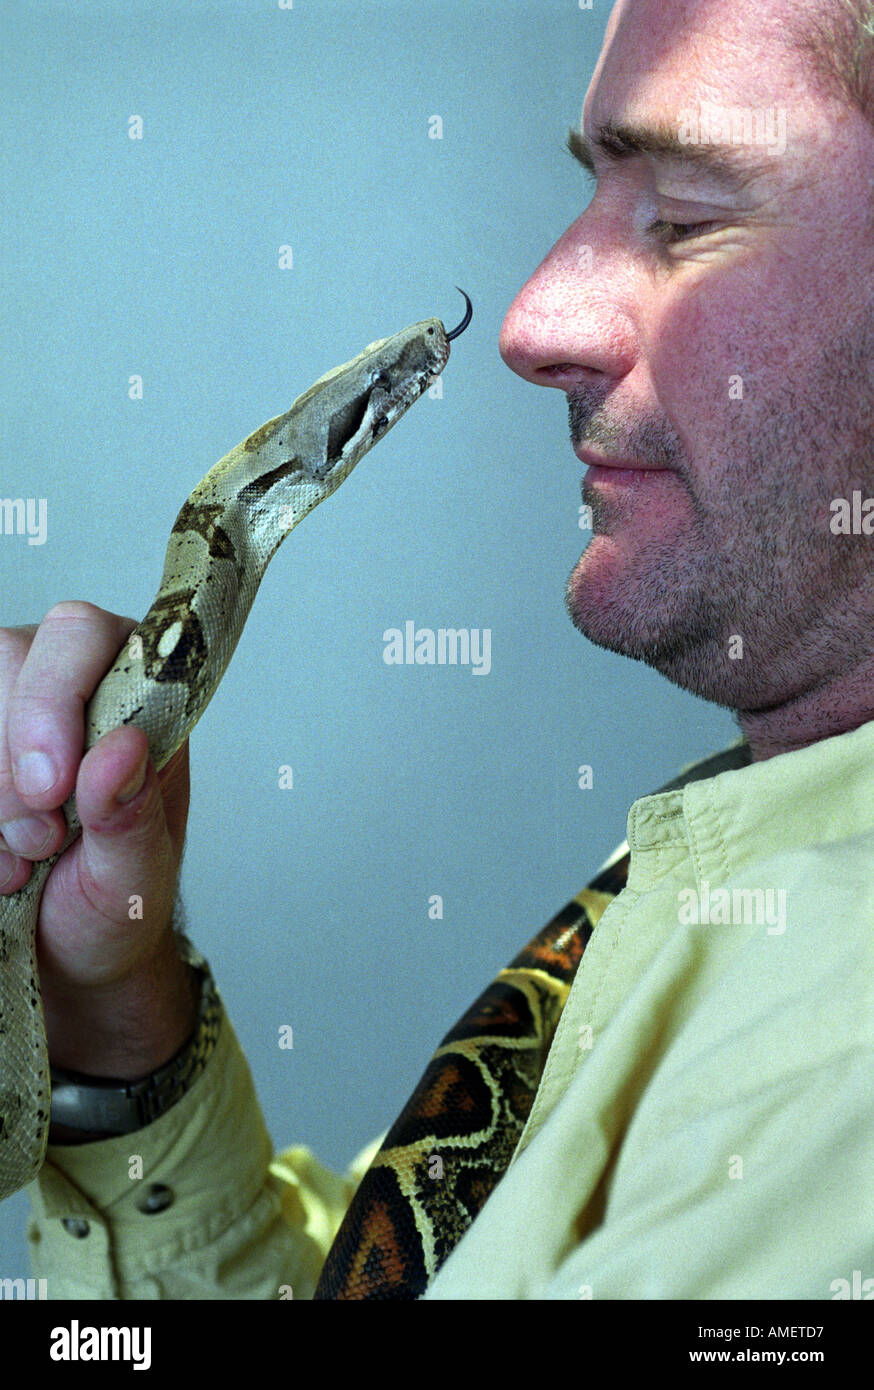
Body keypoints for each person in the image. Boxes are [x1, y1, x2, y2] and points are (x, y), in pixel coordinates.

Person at [3, 0, 873, 1298]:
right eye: (594, 187)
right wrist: (116, 1034)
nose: (528, 321)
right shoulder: (712, 871)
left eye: (684, 218)